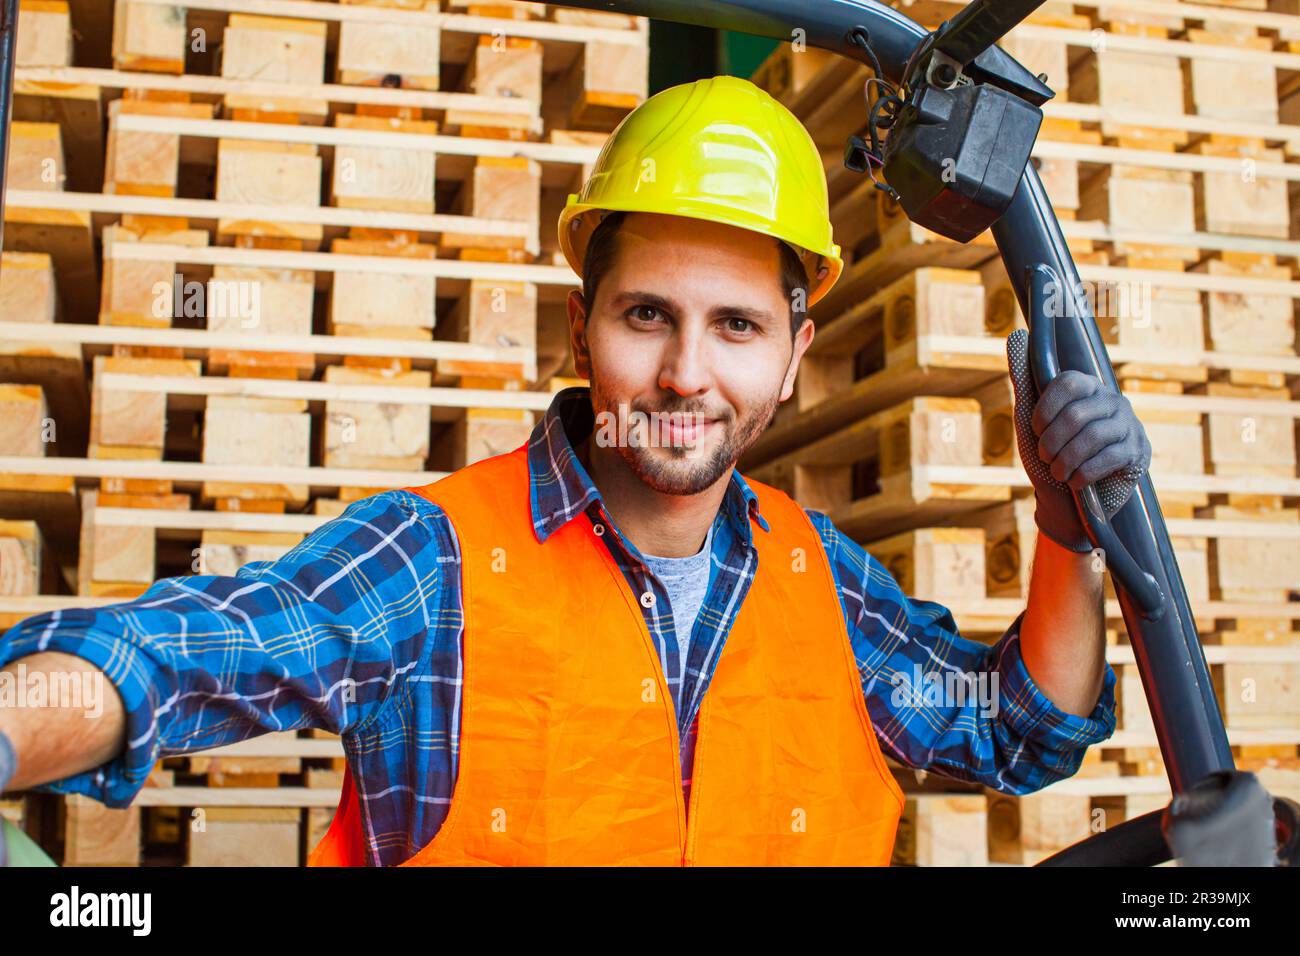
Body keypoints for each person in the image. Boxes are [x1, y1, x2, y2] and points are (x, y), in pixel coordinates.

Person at [0, 75, 1150, 866]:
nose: (685, 373)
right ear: (579, 326)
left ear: (796, 356)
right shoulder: (439, 559)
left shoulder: (825, 585)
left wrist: (1063, 529)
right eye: (647, 314)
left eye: (737, 327)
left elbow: (1018, 728)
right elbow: (180, 654)